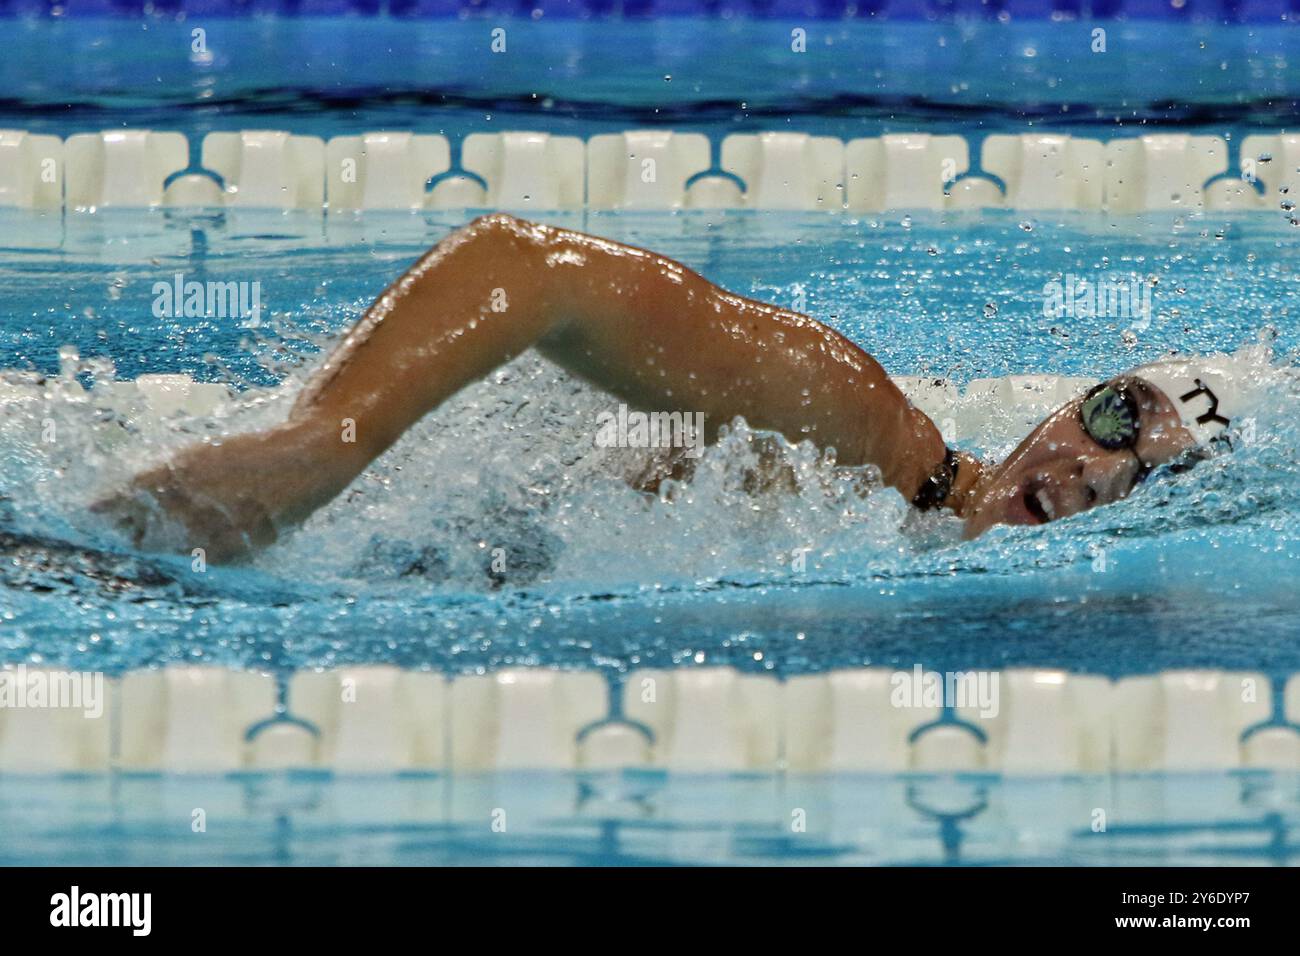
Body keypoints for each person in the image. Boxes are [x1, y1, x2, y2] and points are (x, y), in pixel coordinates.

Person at [92, 213, 1258, 562]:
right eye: (1116, 414)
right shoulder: (864, 426)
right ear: (1061, 407)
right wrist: (325, 443)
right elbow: (528, 268)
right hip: (325, 530)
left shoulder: (889, 538)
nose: (1098, 469)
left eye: (1147, 471)